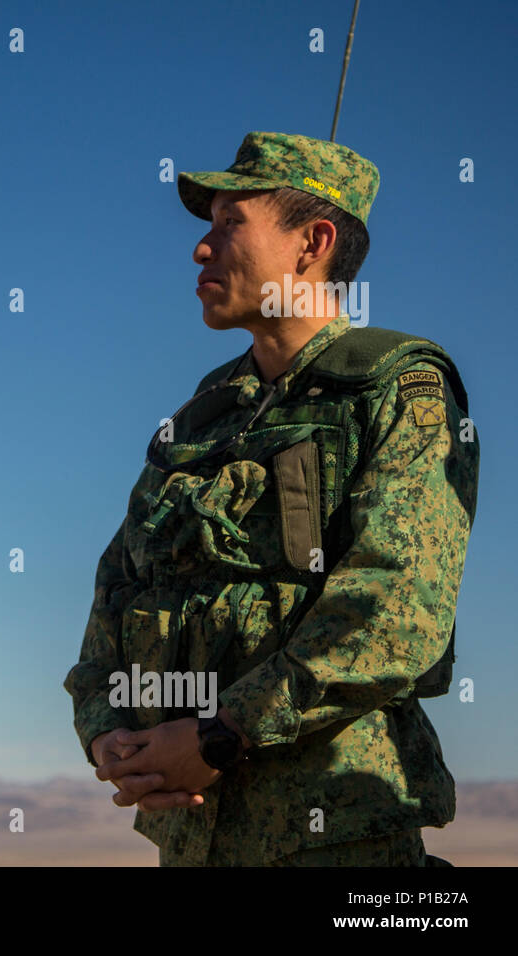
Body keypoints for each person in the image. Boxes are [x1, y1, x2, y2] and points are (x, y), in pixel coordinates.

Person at [64, 131, 479, 866]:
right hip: (192, 838)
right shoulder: (202, 419)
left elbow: (395, 608)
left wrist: (221, 737)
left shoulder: (395, 391)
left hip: (334, 836)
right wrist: (106, 731)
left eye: (231, 224)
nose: (201, 248)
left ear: (312, 243)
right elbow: (119, 589)